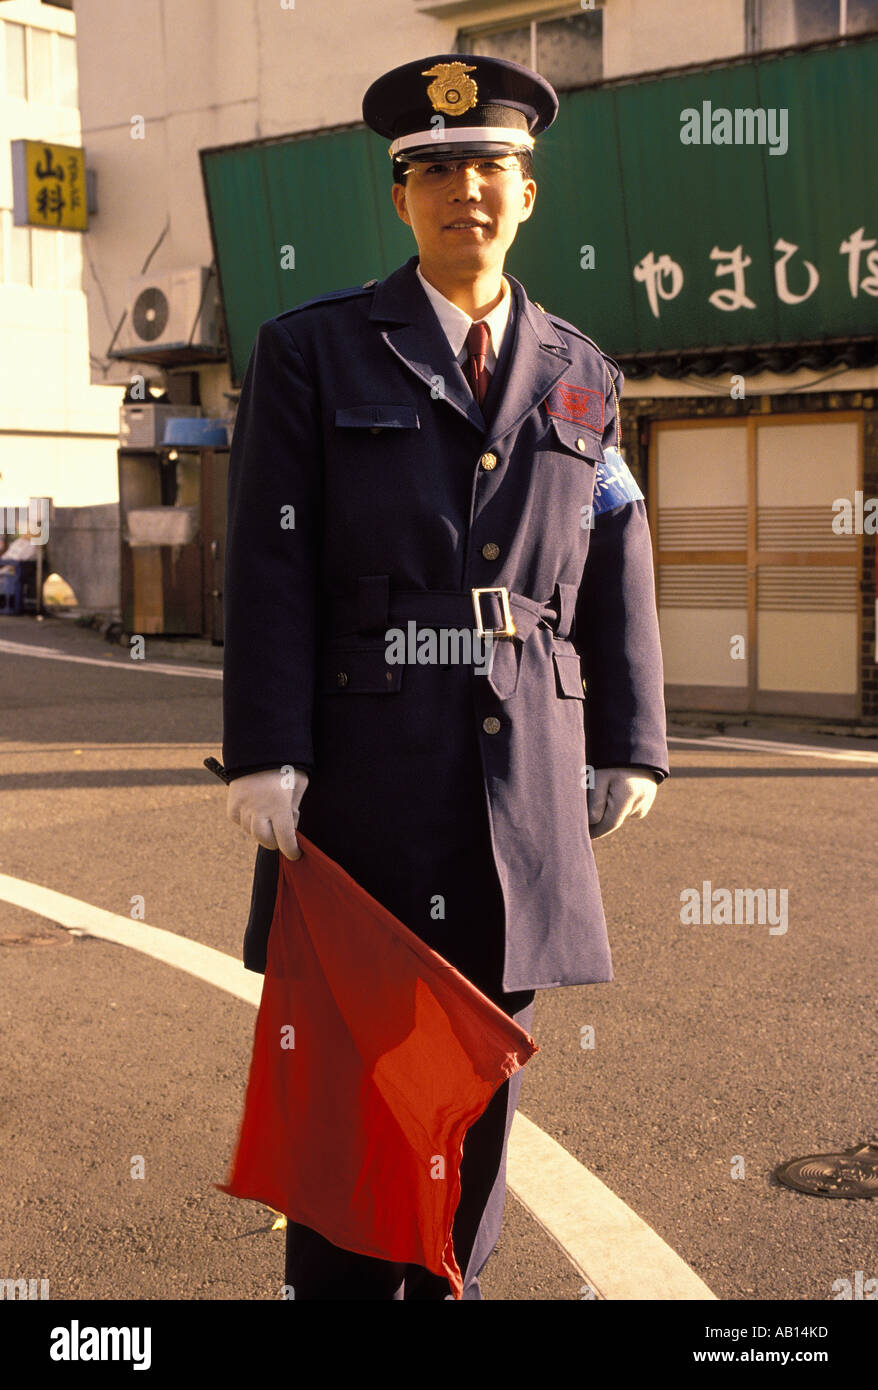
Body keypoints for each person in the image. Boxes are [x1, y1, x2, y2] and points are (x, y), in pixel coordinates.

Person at [221, 52, 669, 1300]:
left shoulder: (581, 370)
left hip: (522, 793)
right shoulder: (312, 353)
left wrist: (628, 738)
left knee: (480, 1074)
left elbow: (616, 547)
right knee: (359, 1091)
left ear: (527, 195)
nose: (463, 189)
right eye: (434, 170)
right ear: (400, 196)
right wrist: (265, 746)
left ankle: (453, 1282)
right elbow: (266, 561)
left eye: (489, 168)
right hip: (364, 792)